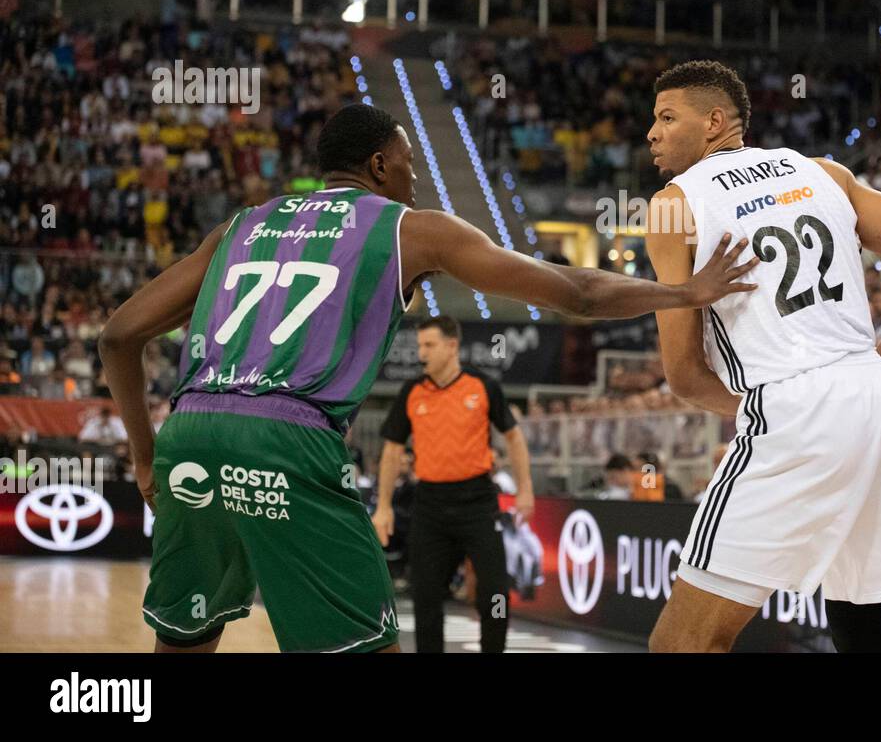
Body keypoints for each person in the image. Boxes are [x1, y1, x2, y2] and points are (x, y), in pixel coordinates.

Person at [99, 104, 756, 654]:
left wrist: (145, 454)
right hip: (287, 440)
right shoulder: (410, 229)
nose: (414, 177)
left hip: (189, 434)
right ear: (380, 165)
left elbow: (119, 336)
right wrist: (685, 292)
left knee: (184, 639)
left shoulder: (239, 226)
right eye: (408, 161)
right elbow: (576, 292)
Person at [641, 60, 881, 653]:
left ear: (714, 121)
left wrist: (769, 412)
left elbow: (684, 377)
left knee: (681, 643)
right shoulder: (822, 172)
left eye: (666, 117)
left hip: (792, 406)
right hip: (879, 403)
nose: (652, 133)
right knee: (864, 635)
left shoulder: (671, 207)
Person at [371, 315, 528, 653]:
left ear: (452, 346)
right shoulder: (412, 391)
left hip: (478, 502)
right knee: (425, 598)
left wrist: (525, 490)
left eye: (429, 345)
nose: (421, 353)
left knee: (495, 594)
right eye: (420, 346)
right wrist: (383, 506)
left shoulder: (482, 386)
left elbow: (514, 437)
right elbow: (392, 449)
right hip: (430, 504)